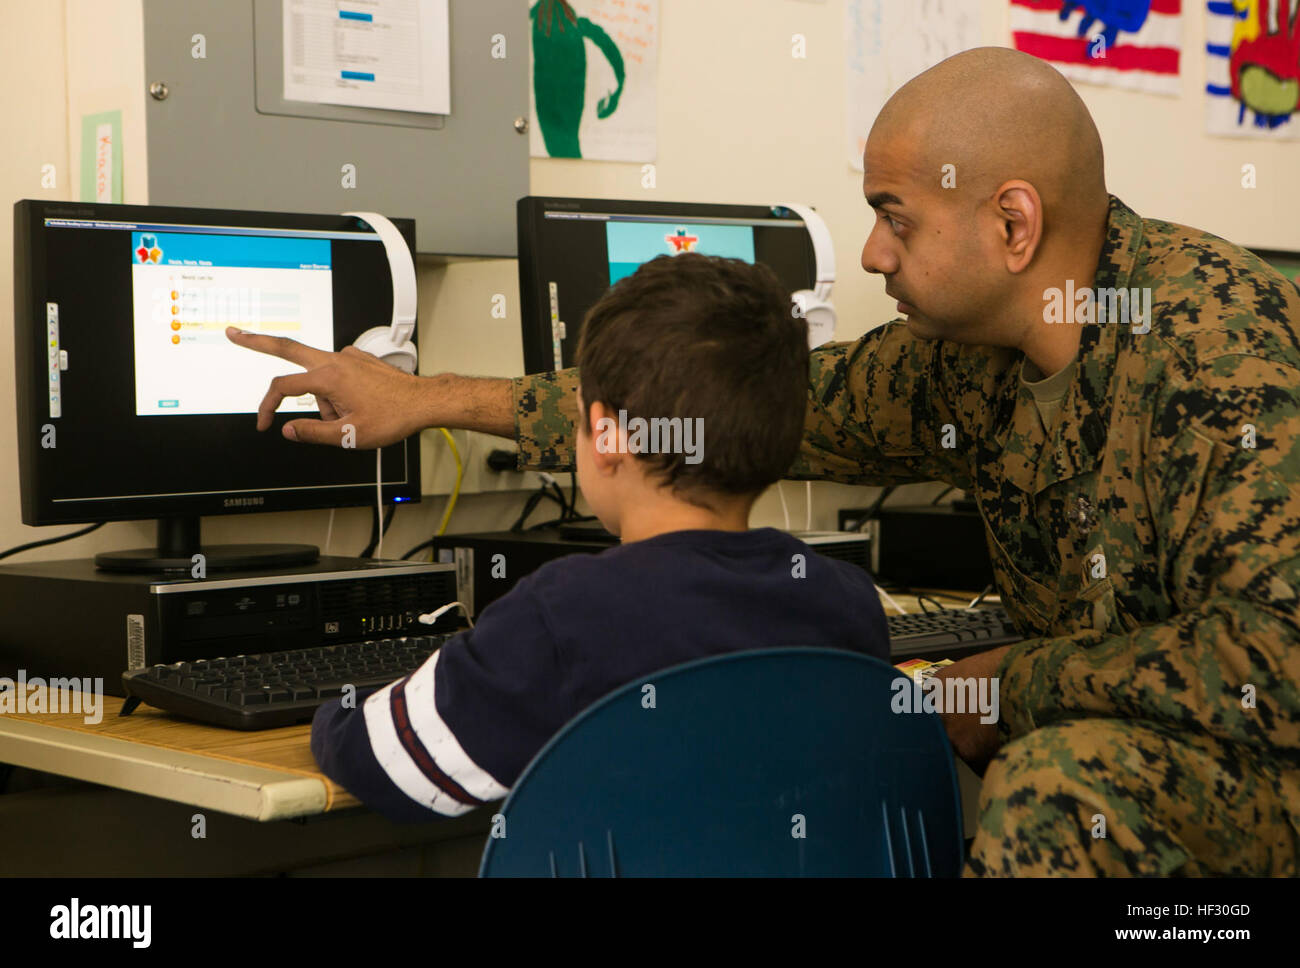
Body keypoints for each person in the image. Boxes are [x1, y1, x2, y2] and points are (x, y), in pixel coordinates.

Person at [229, 47, 1300, 874]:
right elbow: (752, 406)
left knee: (1054, 788)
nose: (872, 251)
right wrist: (432, 400)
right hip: (1132, 728)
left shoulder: (1220, 348)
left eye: (893, 217)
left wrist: (1006, 684)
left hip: (1261, 771)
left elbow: (1283, 658)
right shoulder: (962, 360)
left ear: (1012, 223)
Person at [294, 254, 889, 821]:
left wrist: (334, 707)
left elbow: (386, 763)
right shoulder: (844, 599)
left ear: (604, 434)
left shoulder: (568, 611)